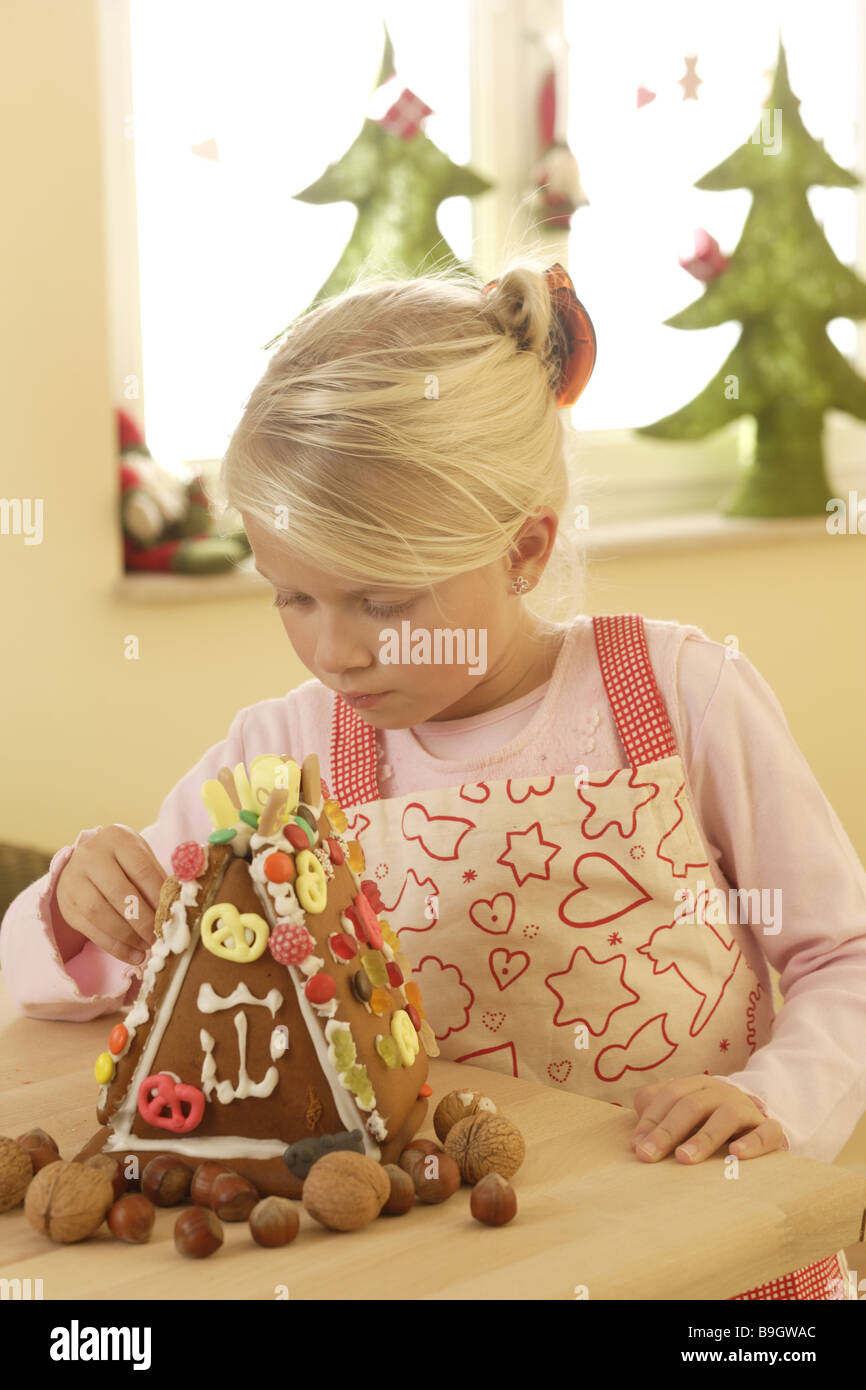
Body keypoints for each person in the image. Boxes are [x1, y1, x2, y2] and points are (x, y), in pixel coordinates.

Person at [2, 259, 865, 1301]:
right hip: (455, 1269)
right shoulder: (279, 760)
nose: (334, 651)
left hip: (701, 1256)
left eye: (383, 600)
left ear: (524, 549)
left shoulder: (676, 691)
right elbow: (86, 979)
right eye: (292, 597)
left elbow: (841, 952)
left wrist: (777, 1097)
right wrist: (72, 906)